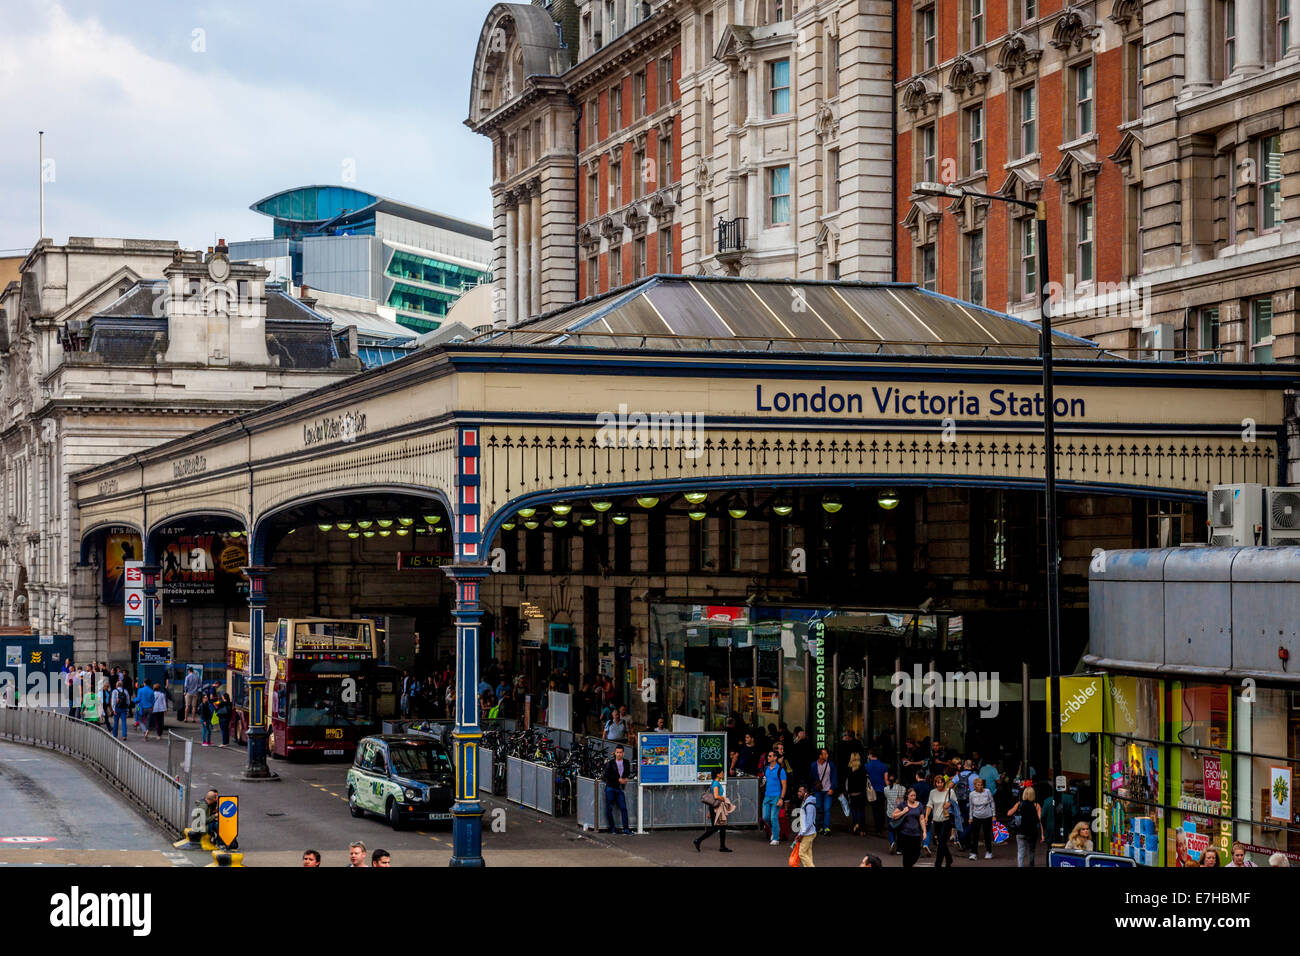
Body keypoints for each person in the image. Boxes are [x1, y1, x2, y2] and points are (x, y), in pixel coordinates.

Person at [693, 769, 735, 853]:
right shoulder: (716, 784)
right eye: (722, 773)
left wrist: (710, 811)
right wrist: (724, 798)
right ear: (718, 775)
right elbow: (716, 796)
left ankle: (722, 846)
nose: (723, 774)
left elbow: (712, 798)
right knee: (716, 827)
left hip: (715, 808)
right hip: (717, 808)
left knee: (722, 826)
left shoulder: (714, 783)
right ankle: (698, 840)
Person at [1006, 785, 1043, 867]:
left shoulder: (1019, 804)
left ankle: (1020, 865)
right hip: (1032, 831)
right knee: (1031, 850)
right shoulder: (1036, 805)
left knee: (1020, 851)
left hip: (1020, 831)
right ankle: (1031, 865)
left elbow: (1009, 813)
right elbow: (1040, 820)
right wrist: (1042, 834)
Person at [925, 772, 956, 867]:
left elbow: (956, 803)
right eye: (938, 782)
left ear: (944, 783)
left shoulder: (950, 791)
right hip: (936, 820)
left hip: (946, 820)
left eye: (941, 782)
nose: (940, 784)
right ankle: (949, 859)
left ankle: (937, 864)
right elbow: (929, 805)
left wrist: (950, 804)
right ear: (935, 783)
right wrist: (926, 816)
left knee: (942, 841)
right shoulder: (932, 792)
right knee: (941, 842)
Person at [602, 743, 633, 835]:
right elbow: (606, 775)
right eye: (617, 752)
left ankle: (626, 829)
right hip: (610, 787)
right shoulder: (610, 763)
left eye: (620, 752)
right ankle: (612, 828)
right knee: (609, 808)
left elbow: (627, 773)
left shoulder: (626, 762)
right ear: (615, 753)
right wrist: (618, 779)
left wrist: (626, 778)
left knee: (623, 808)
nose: (618, 754)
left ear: (623, 753)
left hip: (619, 789)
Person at [892, 787, 927, 868]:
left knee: (916, 853)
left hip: (916, 834)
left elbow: (921, 819)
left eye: (914, 795)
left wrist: (924, 831)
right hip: (905, 834)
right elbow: (893, 816)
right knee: (907, 855)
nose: (913, 797)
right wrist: (903, 812)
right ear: (907, 796)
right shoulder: (903, 805)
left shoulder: (919, 805)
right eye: (911, 795)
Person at [760, 749, 787, 846]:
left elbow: (784, 785)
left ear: (775, 758)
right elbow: (765, 781)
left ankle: (776, 838)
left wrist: (781, 798)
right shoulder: (766, 769)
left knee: (773, 817)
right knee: (765, 817)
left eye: (771, 756)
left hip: (776, 796)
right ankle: (775, 830)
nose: (768, 757)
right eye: (768, 756)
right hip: (767, 796)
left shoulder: (780, 770)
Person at [808, 748, 837, 835]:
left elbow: (834, 777)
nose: (827, 755)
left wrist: (832, 788)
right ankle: (819, 827)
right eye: (825, 754)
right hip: (818, 791)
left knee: (827, 809)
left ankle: (826, 828)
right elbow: (810, 778)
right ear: (820, 756)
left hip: (828, 790)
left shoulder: (831, 765)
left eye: (827, 754)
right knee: (818, 808)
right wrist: (813, 788)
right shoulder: (813, 765)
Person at [967, 776, 996, 860]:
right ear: (975, 786)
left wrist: (994, 815)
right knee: (975, 836)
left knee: (987, 835)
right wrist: (970, 817)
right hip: (976, 816)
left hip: (987, 816)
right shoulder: (972, 794)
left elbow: (992, 803)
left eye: (981, 785)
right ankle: (973, 853)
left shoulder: (987, 792)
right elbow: (971, 806)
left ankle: (989, 852)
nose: (980, 786)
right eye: (978, 785)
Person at [844, 752, 869, 836]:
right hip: (860, 793)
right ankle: (862, 829)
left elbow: (846, 782)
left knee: (854, 811)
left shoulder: (848, 769)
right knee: (861, 811)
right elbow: (864, 781)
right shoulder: (862, 768)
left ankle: (856, 824)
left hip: (852, 793)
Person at [864, 749, 889, 833]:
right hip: (882, 790)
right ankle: (881, 825)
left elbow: (865, 778)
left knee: (874, 809)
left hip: (872, 791)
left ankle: (877, 826)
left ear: (871, 755)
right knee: (881, 808)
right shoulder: (883, 766)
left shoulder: (866, 766)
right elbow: (886, 780)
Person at [883, 772, 906, 854]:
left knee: (890, 829)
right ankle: (899, 849)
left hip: (890, 812)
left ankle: (892, 842)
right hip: (899, 813)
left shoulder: (885, 789)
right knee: (900, 831)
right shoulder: (903, 788)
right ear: (897, 779)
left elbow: (887, 798)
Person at [796, 784, 818, 867]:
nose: (798, 793)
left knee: (802, 853)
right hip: (808, 832)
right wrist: (799, 833)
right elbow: (804, 822)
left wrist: (801, 834)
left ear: (806, 793)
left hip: (808, 833)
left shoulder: (809, 805)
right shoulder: (806, 803)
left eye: (800, 791)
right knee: (808, 854)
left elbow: (808, 823)